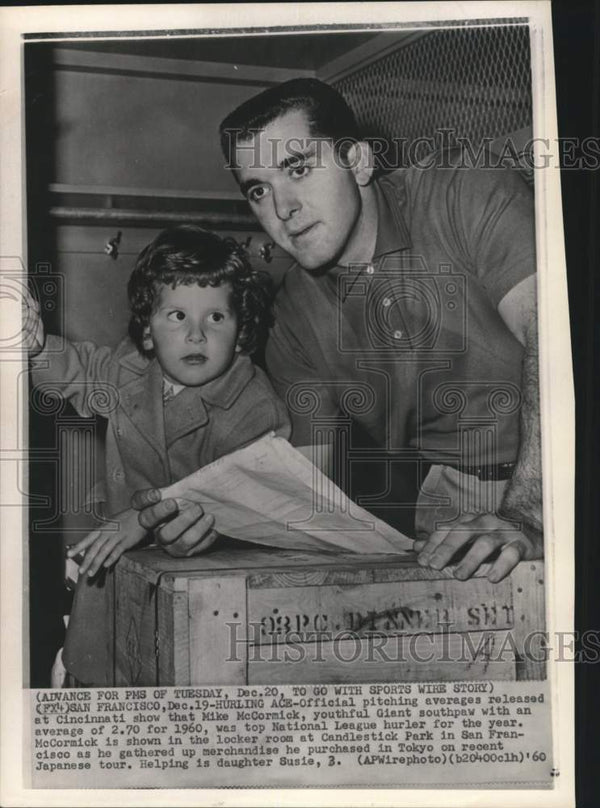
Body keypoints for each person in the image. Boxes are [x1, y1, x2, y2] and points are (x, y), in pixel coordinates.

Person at [133, 78, 543, 584]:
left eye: (298, 169)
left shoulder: (464, 188)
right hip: (452, 499)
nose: (282, 210)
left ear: (359, 162)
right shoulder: (291, 321)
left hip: (559, 470)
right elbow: (310, 489)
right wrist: (225, 526)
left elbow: (557, 345)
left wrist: (529, 513)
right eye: (259, 190)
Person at [25, 225, 290, 684]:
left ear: (242, 331)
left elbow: (240, 501)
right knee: (94, 672)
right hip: (110, 589)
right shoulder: (129, 372)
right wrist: (34, 345)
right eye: (177, 316)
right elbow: (78, 370)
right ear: (147, 332)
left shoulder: (255, 405)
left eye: (216, 318)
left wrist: (143, 519)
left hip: (206, 602)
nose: (196, 334)